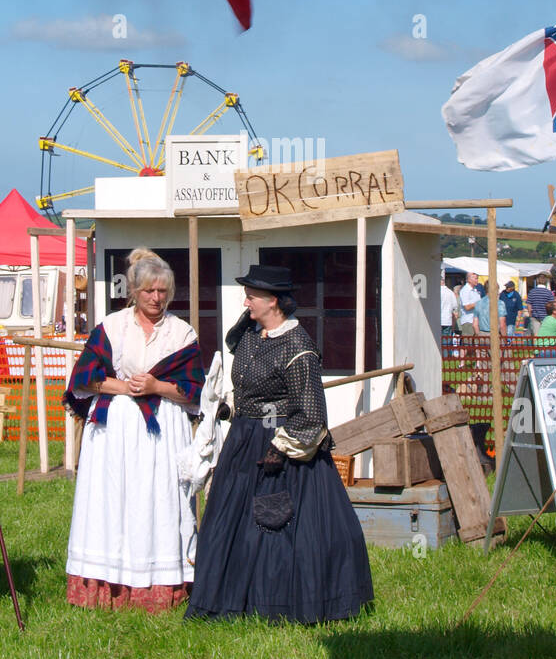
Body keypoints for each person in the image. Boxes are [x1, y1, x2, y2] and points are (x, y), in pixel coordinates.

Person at [185, 264, 373, 624]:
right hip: (243, 441)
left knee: (278, 523)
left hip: (283, 448)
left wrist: (280, 447)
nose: (246, 301)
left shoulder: (299, 346)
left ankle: (277, 604)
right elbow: (249, 389)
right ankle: (228, 599)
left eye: (252, 296)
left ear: (273, 301)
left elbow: (312, 412)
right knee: (230, 521)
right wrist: (226, 408)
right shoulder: (251, 337)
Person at [63, 248, 203, 612]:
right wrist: (125, 387)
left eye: (162, 292)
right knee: (113, 498)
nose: (156, 299)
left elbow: (194, 389)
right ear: (135, 291)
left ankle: (161, 583)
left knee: (159, 498)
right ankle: (107, 580)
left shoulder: (181, 333)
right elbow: (84, 378)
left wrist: (156, 387)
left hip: (163, 429)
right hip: (115, 432)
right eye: (148, 292)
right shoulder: (112, 327)